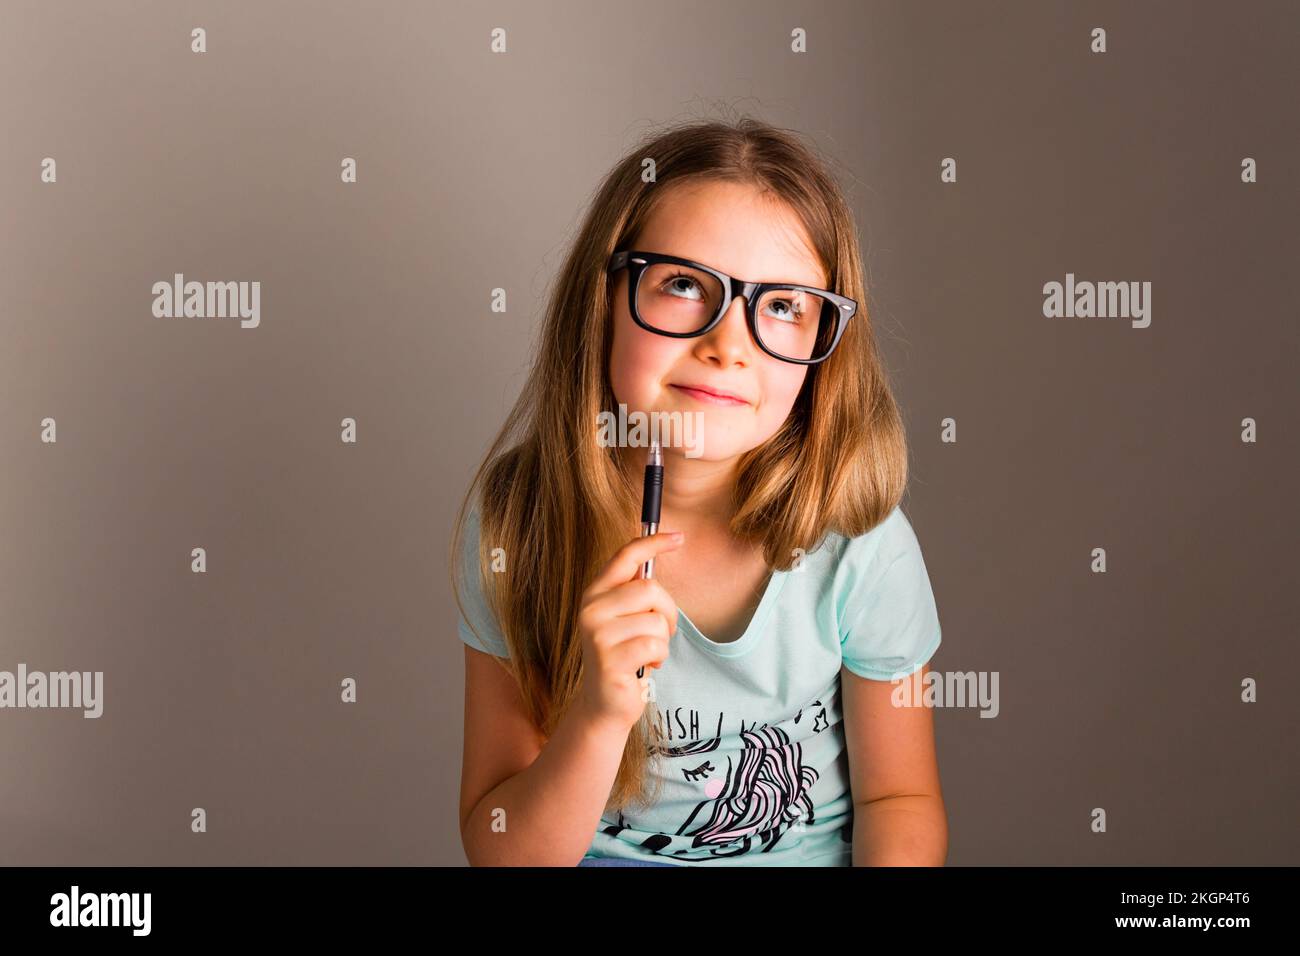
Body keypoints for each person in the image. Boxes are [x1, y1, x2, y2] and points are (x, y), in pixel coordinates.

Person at [452, 117, 945, 867]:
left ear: (822, 351)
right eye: (683, 285)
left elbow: (899, 801)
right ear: (605, 300)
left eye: (783, 305)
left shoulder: (859, 541)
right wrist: (597, 714)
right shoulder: (521, 524)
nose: (728, 344)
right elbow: (504, 852)